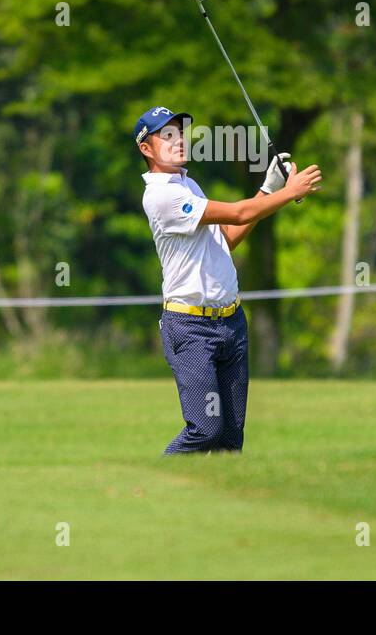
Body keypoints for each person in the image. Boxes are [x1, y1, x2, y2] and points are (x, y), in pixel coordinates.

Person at [134, 105, 322, 454]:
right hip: (190, 328)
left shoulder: (188, 184)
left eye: (180, 133)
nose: (178, 141)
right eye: (167, 136)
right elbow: (238, 213)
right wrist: (289, 192)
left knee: (231, 439)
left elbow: (228, 238)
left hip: (230, 323)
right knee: (204, 429)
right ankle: (157, 480)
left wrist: (267, 191)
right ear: (147, 148)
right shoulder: (162, 195)